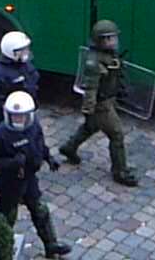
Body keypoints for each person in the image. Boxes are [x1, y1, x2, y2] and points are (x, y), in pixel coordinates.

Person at [0, 92, 72, 258]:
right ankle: (0, 249)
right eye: (15, 116)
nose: (18, 119)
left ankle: (50, 244)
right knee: (7, 217)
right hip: (10, 182)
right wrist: (11, 163)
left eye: (21, 116)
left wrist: (48, 157)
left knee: (40, 210)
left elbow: (40, 143)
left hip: (29, 178)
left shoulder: (34, 126)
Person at [58, 20, 138, 186]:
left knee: (90, 127)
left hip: (107, 100)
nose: (113, 41)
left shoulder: (107, 55)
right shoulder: (95, 62)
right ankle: (120, 171)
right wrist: (88, 109)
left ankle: (69, 148)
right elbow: (91, 88)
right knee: (116, 135)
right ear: (100, 40)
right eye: (108, 38)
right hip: (102, 105)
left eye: (113, 37)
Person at [0, 32, 40, 121]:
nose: (27, 52)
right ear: (13, 52)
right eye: (23, 50)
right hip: (13, 118)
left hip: (29, 111)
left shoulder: (25, 65)